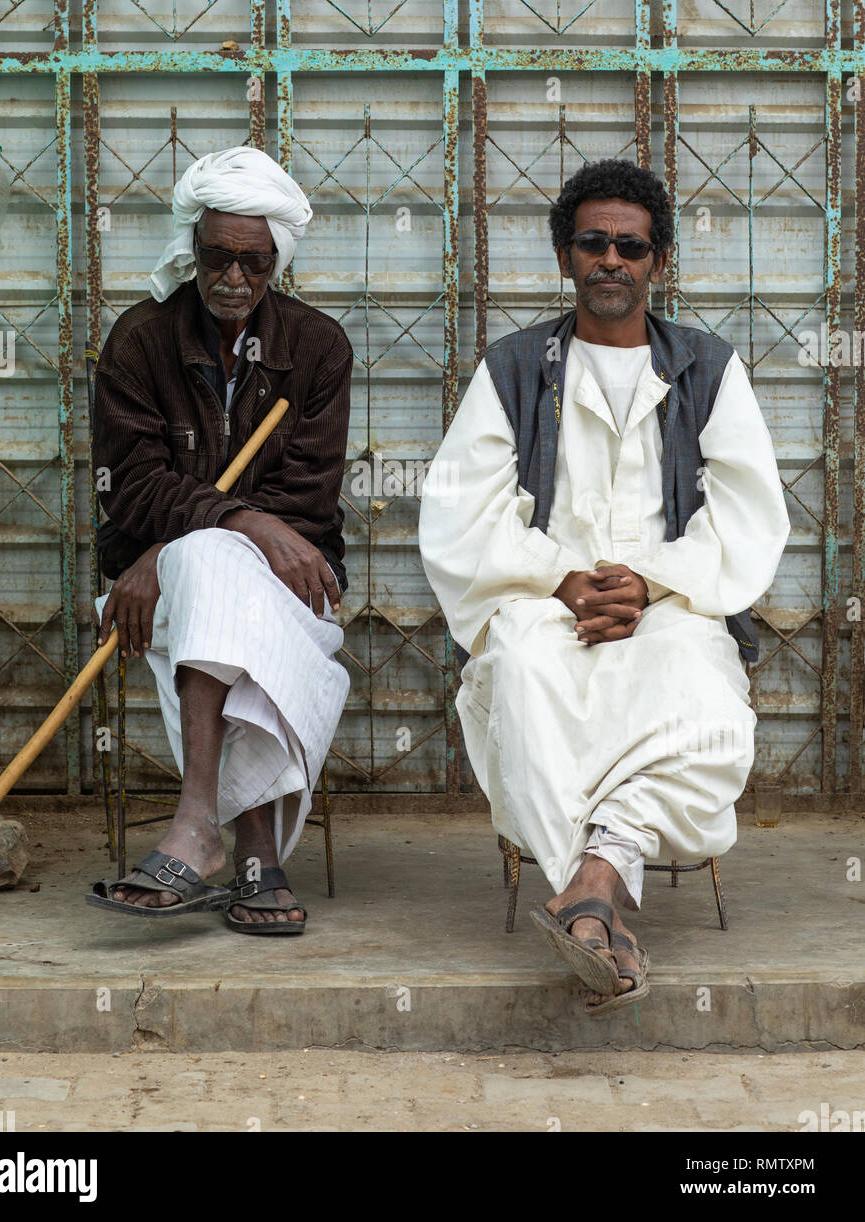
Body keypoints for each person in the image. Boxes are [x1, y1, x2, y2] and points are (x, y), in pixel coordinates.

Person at [418, 158, 789, 1012]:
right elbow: (459, 513)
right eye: (593, 242)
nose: (610, 260)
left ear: (657, 262)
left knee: (706, 700)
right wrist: (559, 580)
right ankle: (600, 892)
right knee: (513, 666)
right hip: (546, 605)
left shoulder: (707, 368)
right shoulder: (514, 367)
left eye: (630, 245)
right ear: (564, 256)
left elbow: (748, 514)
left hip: (670, 606)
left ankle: (587, 890)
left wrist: (652, 583)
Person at [86, 145, 352, 935]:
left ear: (277, 262)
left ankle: (197, 824)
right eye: (216, 257)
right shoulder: (139, 340)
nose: (233, 278)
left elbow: (303, 501)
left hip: (284, 577)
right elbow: (129, 486)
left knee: (214, 569)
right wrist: (241, 523)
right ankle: (255, 855)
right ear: (191, 252)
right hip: (155, 587)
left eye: (254, 263)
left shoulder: (317, 347)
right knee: (213, 567)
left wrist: (167, 550)